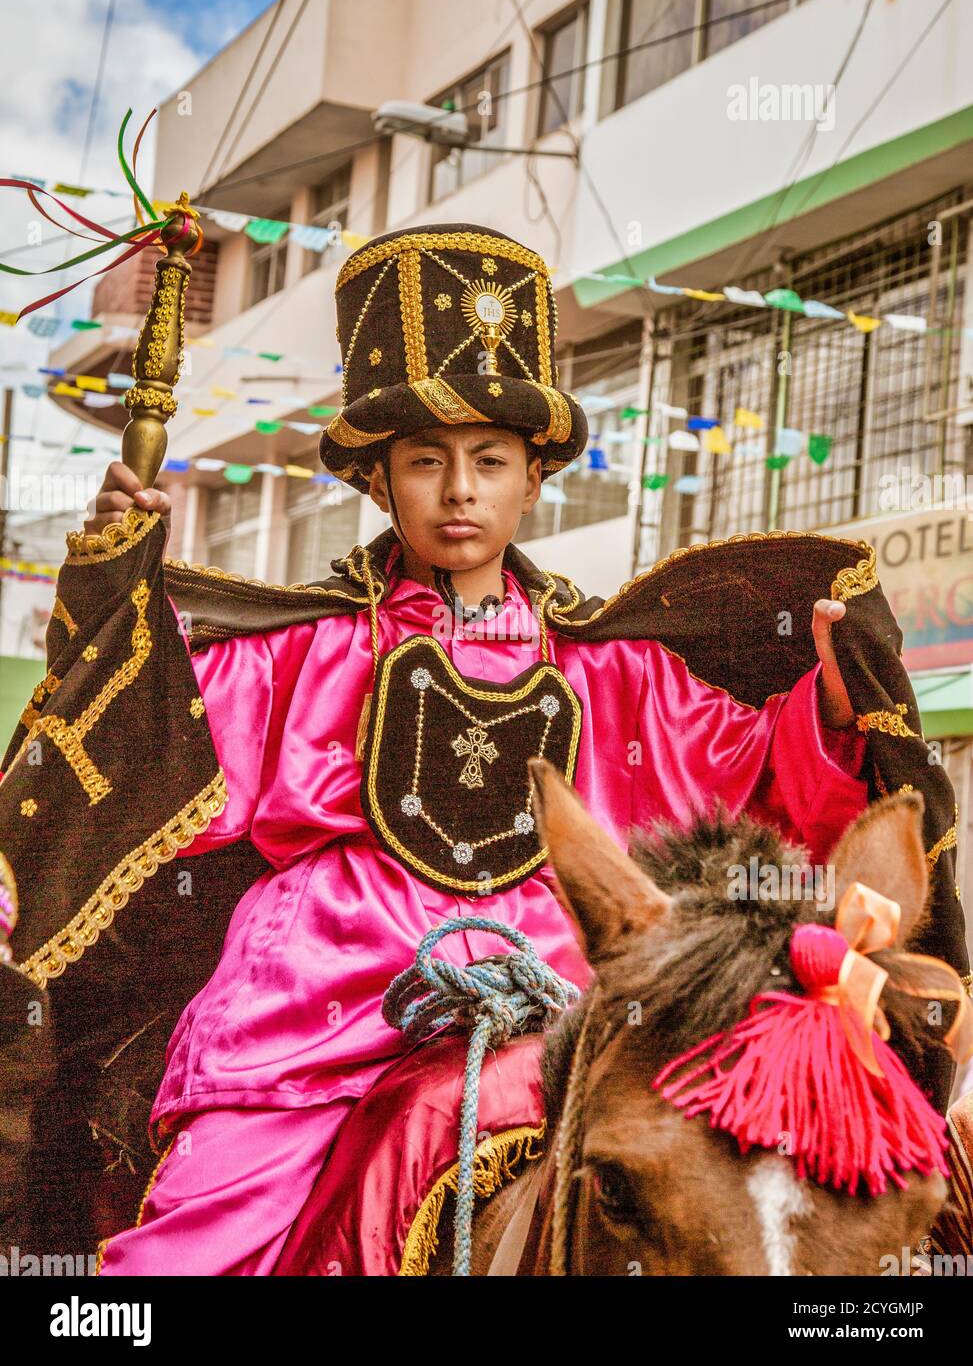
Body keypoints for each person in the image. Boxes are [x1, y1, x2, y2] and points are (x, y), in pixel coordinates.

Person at [70, 223, 879, 1275]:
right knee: (177, 1260)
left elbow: (761, 775)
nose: (459, 490)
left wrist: (834, 698)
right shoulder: (301, 649)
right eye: (425, 461)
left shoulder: (612, 670)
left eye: (489, 461)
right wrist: (113, 589)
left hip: (557, 994)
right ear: (378, 482)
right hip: (310, 1012)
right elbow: (148, 747)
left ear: (532, 480)